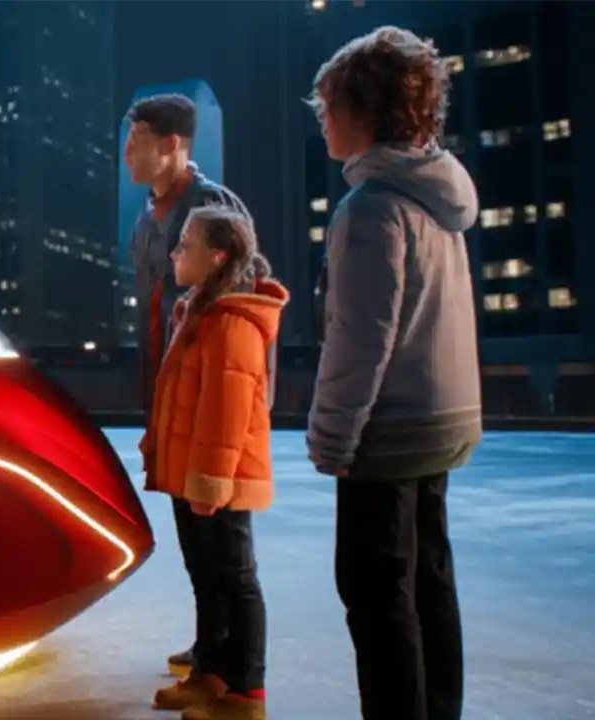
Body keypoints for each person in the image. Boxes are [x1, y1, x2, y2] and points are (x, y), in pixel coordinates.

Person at [306, 26, 480, 720]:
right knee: (429, 579)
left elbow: (360, 339)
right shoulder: (438, 202)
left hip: (390, 428)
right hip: (442, 421)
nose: (322, 118)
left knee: (376, 592)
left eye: (330, 106)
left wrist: (333, 438)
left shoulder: (372, 207)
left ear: (366, 110)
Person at [124, 92, 253, 680]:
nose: (127, 153)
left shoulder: (213, 209)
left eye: (137, 141)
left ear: (171, 144)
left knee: (223, 541)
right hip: (168, 394)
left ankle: (233, 670)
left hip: (211, 403)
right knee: (192, 537)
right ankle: (209, 648)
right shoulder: (145, 219)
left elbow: (244, 313)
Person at [142, 206, 285, 720]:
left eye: (187, 243)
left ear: (218, 256)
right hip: (193, 475)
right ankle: (211, 675)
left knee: (235, 579)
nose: (176, 252)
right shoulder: (198, 313)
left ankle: (247, 693)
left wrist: (210, 483)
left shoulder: (233, 322)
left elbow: (226, 413)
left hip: (220, 479)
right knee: (206, 575)